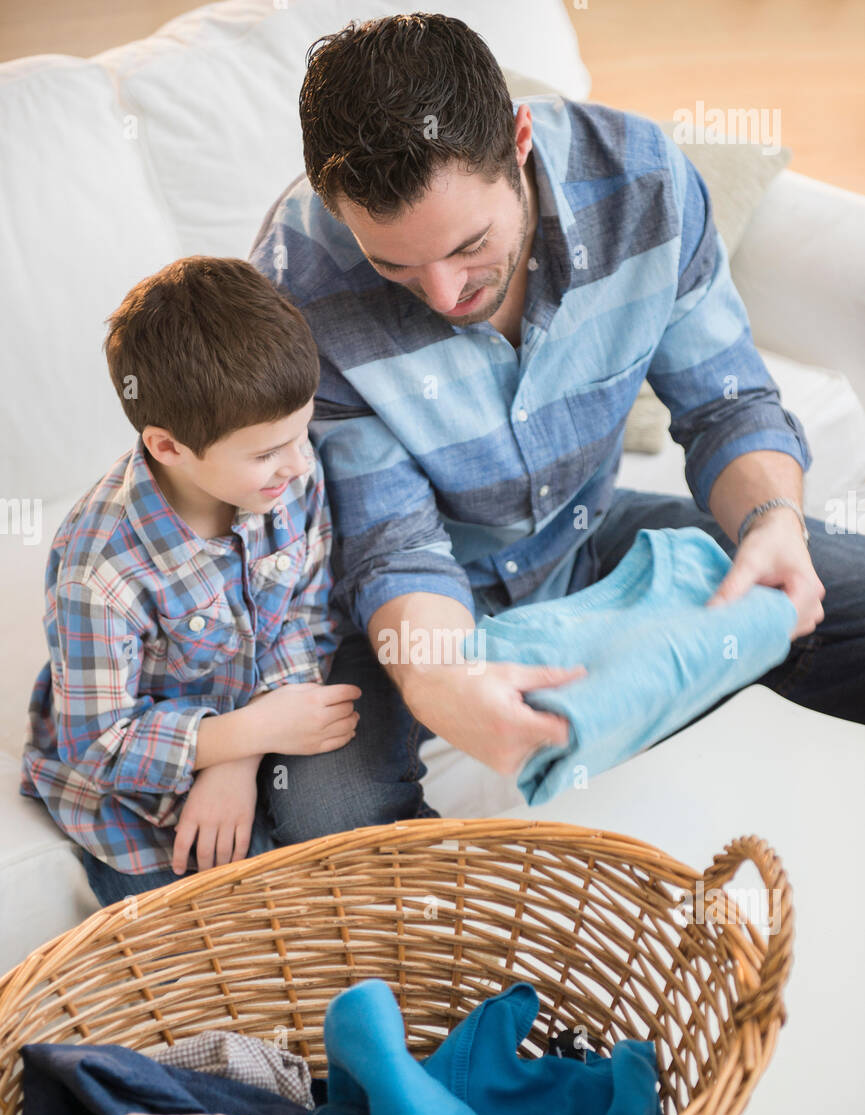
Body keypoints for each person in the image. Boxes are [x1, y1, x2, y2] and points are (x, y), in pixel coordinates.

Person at [249, 12, 864, 835]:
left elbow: (726, 406)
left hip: (582, 534)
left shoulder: (642, 183)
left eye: (470, 246)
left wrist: (770, 519)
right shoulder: (297, 286)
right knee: (326, 827)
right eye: (392, 264)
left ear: (519, 139)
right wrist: (443, 684)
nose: (440, 295)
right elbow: (392, 545)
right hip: (385, 614)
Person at [20, 256, 362, 907]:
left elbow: (303, 616)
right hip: (134, 801)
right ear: (167, 447)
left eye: (303, 432)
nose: (298, 462)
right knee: (210, 938)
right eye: (267, 451)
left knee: (331, 889)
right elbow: (98, 743)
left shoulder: (288, 476)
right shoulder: (100, 570)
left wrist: (240, 753)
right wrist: (236, 739)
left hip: (261, 729)